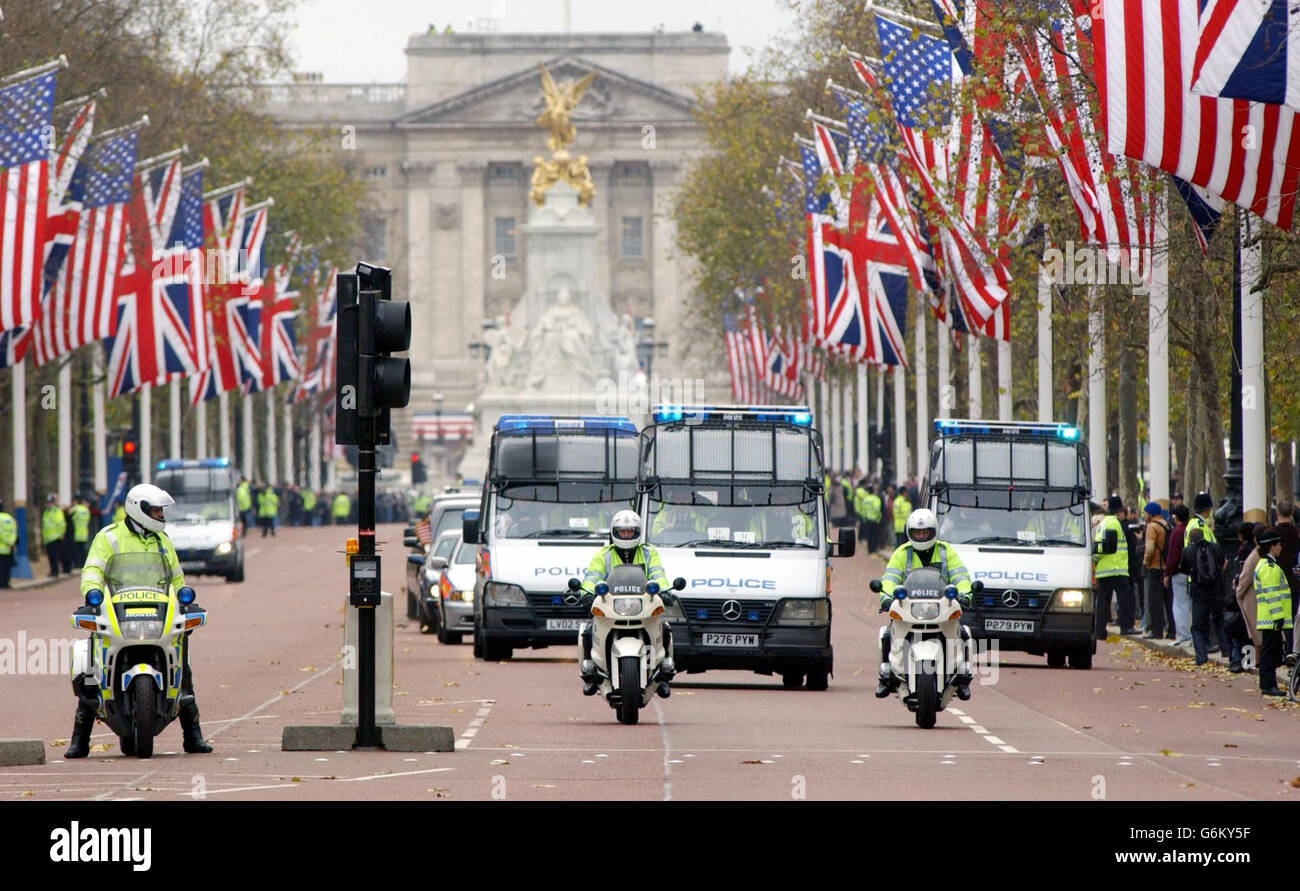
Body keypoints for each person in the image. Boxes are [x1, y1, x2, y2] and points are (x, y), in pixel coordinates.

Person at [66, 483, 212, 758]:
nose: (160, 515)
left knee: (183, 667)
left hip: (157, 611)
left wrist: (184, 600)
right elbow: (93, 569)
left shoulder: (162, 541)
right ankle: (80, 739)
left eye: (160, 511)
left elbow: (176, 577)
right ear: (139, 509)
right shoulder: (109, 537)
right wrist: (92, 594)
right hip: (118, 611)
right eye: (155, 511)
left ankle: (193, 736)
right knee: (91, 671)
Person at [876, 508, 974, 701]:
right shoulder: (902, 553)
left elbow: (960, 575)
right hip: (909, 606)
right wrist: (886, 597)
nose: (921, 536)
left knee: (963, 633)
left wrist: (965, 594)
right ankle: (886, 676)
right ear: (910, 533)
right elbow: (890, 577)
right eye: (917, 533)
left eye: (925, 532)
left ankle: (962, 677)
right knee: (886, 635)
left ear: (933, 531)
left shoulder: (946, 551)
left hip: (941, 606)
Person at [578, 510, 673, 698]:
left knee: (665, 628)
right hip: (611, 605)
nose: (627, 535)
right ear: (615, 532)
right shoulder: (604, 555)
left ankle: (663, 672)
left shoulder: (649, 553)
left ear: (637, 532)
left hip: (643, 605)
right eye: (623, 532)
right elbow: (591, 576)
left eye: (631, 532)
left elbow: (658, 574)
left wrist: (665, 590)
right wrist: (585, 592)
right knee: (588, 632)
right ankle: (590, 672)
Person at [1251, 526, 1291, 696]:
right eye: (1279, 545)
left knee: (1269, 651)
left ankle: (1268, 684)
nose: (1281, 548)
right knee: (1269, 652)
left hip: (1268, 617)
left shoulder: (1264, 564)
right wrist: (1278, 617)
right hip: (1272, 618)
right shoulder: (1270, 567)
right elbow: (1272, 594)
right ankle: (1269, 685)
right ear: (1272, 546)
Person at [1179, 526, 1224, 665]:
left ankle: (1201, 657)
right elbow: (1222, 563)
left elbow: (1184, 569)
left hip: (1198, 591)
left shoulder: (1188, 551)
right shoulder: (1215, 547)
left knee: (1197, 626)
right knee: (1219, 620)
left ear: (1190, 539)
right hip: (1216, 590)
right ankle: (1227, 650)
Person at [1094, 495, 1136, 637]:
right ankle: (1126, 627)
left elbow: (1099, 547)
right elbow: (1107, 546)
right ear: (1119, 510)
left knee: (1103, 602)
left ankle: (1100, 630)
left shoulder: (1103, 523)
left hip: (1103, 569)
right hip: (1116, 568)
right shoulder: (1114, 523)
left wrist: (1096, 560)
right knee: (1125, 598)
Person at [1228, 522, 1259, 673]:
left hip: (1245, 596)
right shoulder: (1254, 551)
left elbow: (1244, 575)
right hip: (1251, 596)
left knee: (1241, 630)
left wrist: (1238, 591)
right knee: (1247, 632)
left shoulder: (1246, 552)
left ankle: (1240, 661)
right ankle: (1248, 661)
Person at [1140, 502, 1170, 640]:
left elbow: (1150, 547)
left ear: (1150, 513)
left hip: (1155, 566)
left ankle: (1156, 631)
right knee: (1167, 600)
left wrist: (1146, 562)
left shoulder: (1152, 526)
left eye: (1145, 512)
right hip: (1165, 566)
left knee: (1154, 601)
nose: (1144, 515)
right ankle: (1171, 630)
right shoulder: (1166, 524)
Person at [42, 494, 67, 578]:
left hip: (55, 537)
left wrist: (61, 534)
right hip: (48, 538)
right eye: (47, 502)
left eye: (50, 502)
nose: (48, 504)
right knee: (50, 556)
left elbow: (61, 523)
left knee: (54, 556)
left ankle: (55, 571)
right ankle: (53, 570)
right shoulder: (46, 512)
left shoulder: (56, 511)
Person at [69, 496, 92, 569]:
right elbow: (88, 520)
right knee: (83, 551)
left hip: (76, 533)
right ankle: (83, 564)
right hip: (84, 533)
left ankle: (77, 564)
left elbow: (68, 514)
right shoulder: (86, 510)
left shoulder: (75, 509)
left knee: (76, 551)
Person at [0, 498, 16, 589]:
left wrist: (5, 541)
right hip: (8, 547)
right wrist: (11, 542)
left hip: (1, 546)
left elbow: (0, 532)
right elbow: (14, 530)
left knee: (1, 567)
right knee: (7, 566)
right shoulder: (9, 517)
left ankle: (1, 584)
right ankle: (6, 583)